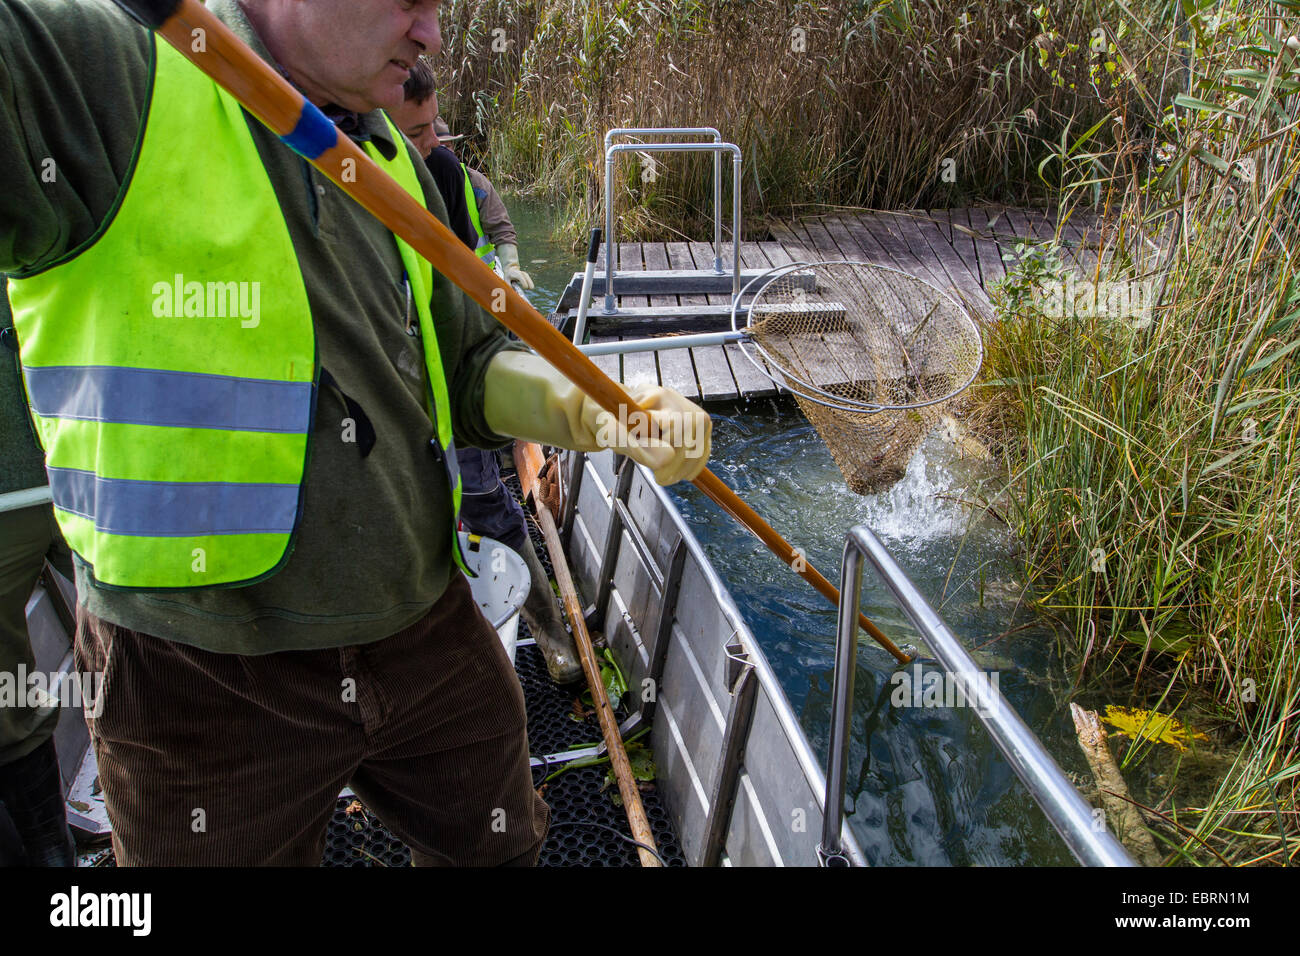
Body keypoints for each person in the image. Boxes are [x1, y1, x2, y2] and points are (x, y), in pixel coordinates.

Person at [0, 0, 710, 866]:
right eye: (409, 0)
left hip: (421, 619)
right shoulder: (107, 70)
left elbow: (471, 363)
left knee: (497, 847)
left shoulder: (390, 163)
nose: (432, 35)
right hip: (201, 672)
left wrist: (601, 412)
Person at [388, 61, 580, 685]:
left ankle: (553, 641)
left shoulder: (447, 174)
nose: (429, 147)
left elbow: (470, 270)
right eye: (412, 135)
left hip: (454, 365)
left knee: (486, 505)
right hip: (390, 401)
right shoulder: (339, 175)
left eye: (430, 131)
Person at [0, 281, 76, 867]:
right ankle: (53, 846)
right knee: (6, 690)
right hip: (12, 494)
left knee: (173, 634)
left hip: (100, 466)